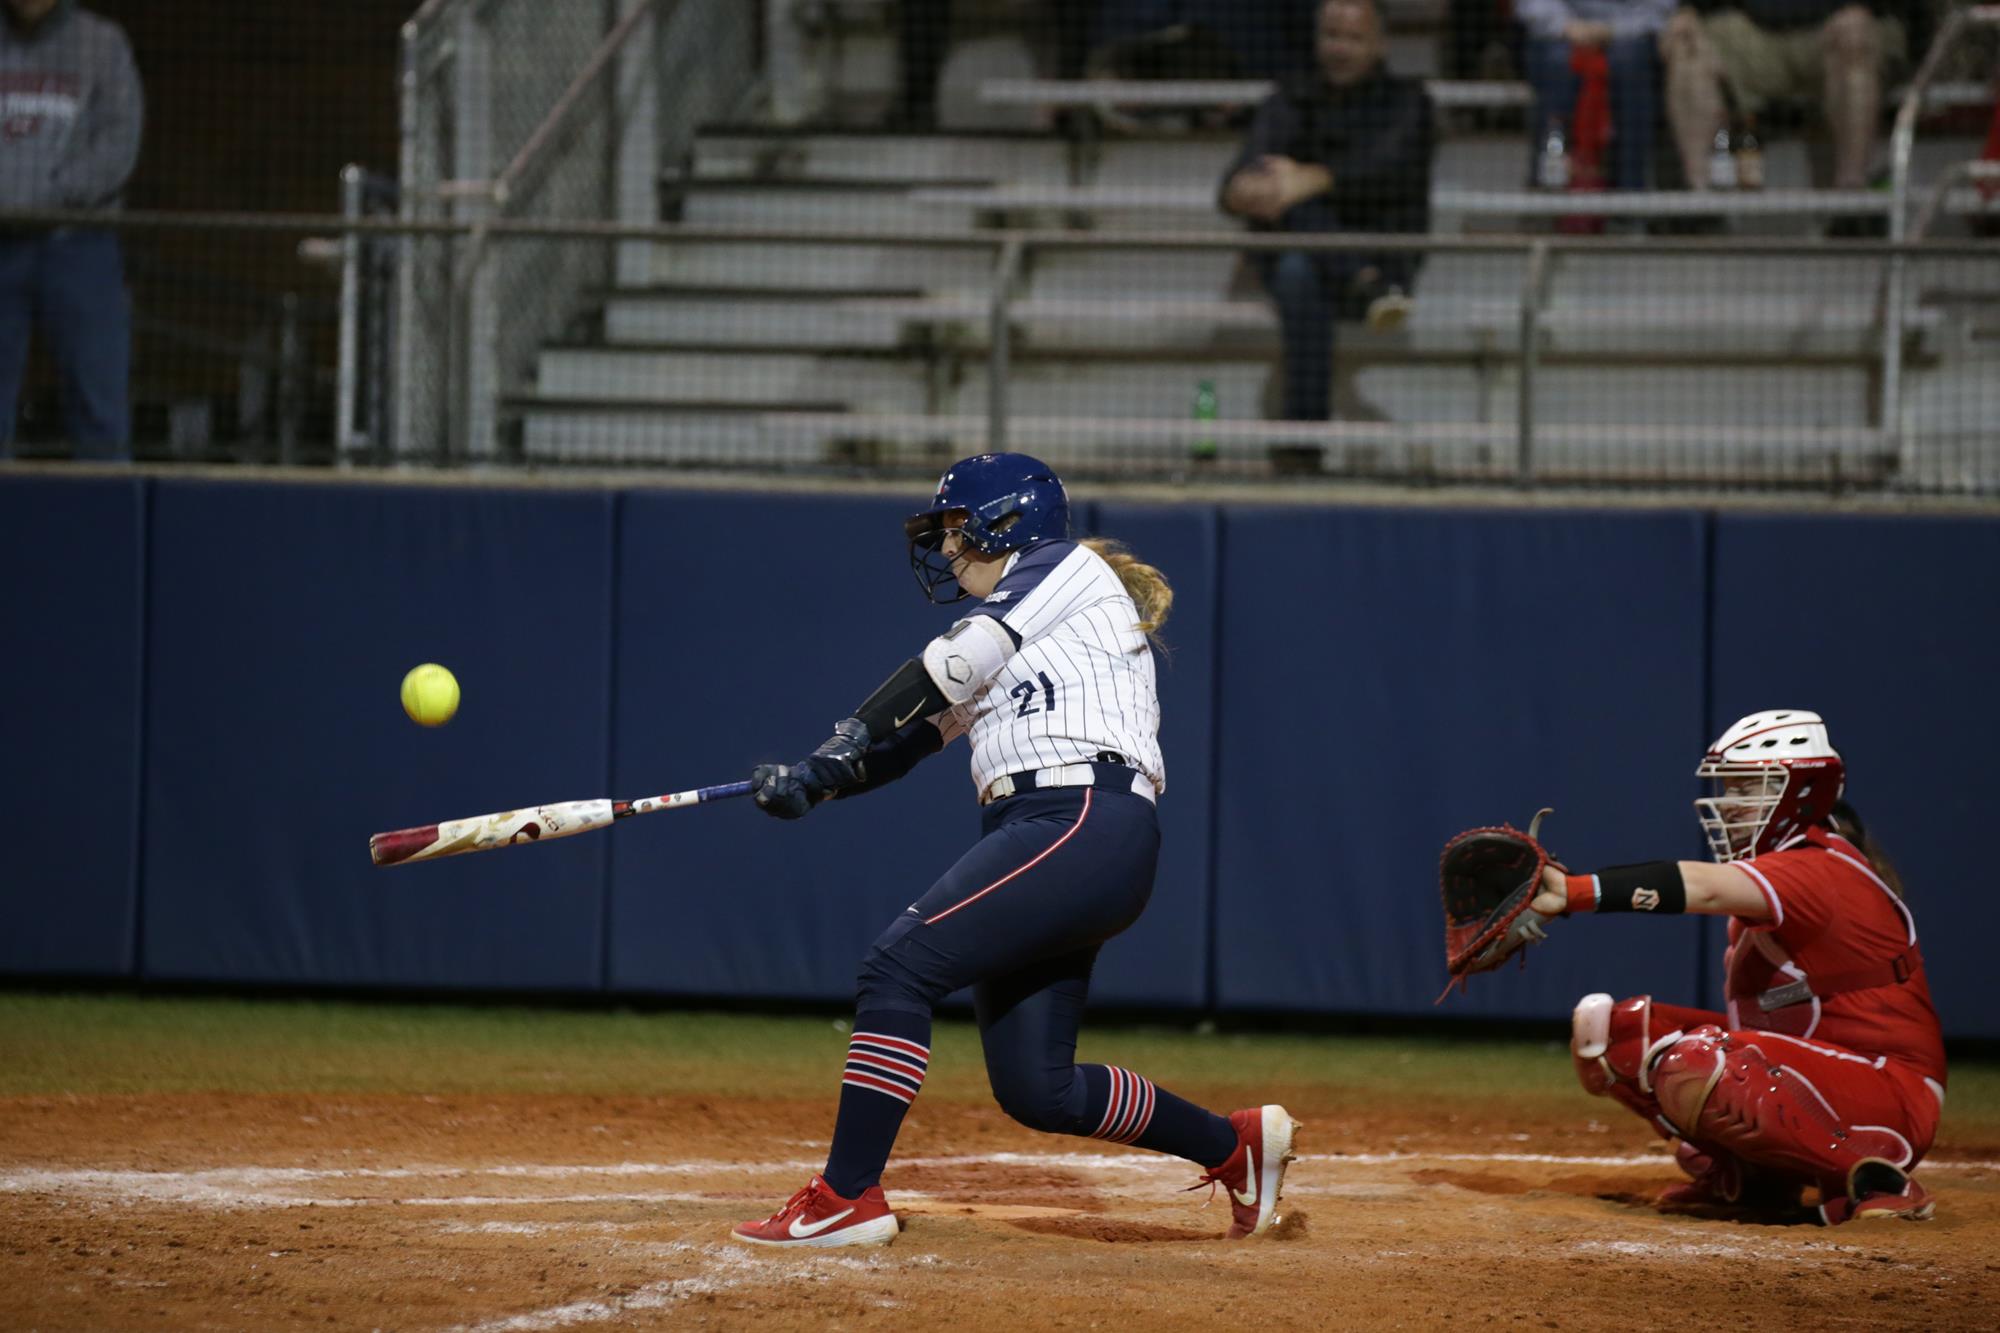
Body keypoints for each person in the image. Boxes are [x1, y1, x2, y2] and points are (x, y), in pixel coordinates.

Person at [731, 452, 1300, 1248]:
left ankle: (846, 1195)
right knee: (1040, 1088)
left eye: (957, 526)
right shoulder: (1019, 632)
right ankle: (1232, 1146)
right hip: (1053, 831)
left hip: (1080, 816)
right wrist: (818, 778)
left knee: (897, 969)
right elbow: (909, 744)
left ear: (1008, 519)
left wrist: (845, 734)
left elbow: (942, 669)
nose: (947, 545)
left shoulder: (1061, 570)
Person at [1523, 709, 1944, 1224]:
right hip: (1822, 1074)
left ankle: (1879, 1179)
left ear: (1802, 793)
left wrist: (1572, 891)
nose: (1732, 804)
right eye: (1732, 787)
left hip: (1891, 1093)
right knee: (1614, 1031)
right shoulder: (1785, 867)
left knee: (1705, 1060)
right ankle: (1754, 1178)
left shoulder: (1816, 866)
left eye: (1751, 788)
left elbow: (1701, 886)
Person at [1217, 0, 1433, 439]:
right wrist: (1248, 190)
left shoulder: (1409, 102)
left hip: (1385, 254)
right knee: (1298, 259)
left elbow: (1392, 173)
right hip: (1341, 279)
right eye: (1333, 36)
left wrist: (1312, 178)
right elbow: (1234, 186)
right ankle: (1359, 278)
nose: (1340, 48)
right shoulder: (1291, 97)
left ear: (1380, 44)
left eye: (1354, 38)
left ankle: (1304, 435)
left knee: (1301, 237)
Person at [0, 0, 142, 459]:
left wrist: (45, 200)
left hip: (80, 246)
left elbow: (118, 144)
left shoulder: (103, 43)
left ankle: (107, 524)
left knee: (98, 410)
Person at [1661, 1, 1905, 202]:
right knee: (1686, 37)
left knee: (1854, 29)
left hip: (1842, 24)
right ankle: (1700, 199)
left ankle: (1853, 200)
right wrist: (1690, 10)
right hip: (1756, 34)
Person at [1516, 0, 1671, 192]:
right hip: (1560, 32)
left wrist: (1613, 29)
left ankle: (1630, 196)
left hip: (1630, 34)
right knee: (1557, 64)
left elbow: (1660, 10)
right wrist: (1565, 26)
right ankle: (1548, 188)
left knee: (1631, 63)